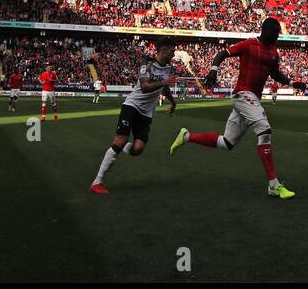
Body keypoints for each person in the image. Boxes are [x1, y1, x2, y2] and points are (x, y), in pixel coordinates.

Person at [169, 18, 296, 199]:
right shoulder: (249, 44)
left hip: (251, 100)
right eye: (276, 33)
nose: (278, 37)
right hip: (243, 94)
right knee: (264, 130)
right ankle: (274, 185)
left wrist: (292, 82)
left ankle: (186, 136)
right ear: (266, 31)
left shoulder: (274, 52)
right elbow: (222, 54)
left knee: (227, 142)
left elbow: (275, 72)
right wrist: (213, 70)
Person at [90, 38, 178, 195]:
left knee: (137, 149)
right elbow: (145, 87)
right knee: (121, 140)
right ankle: (97, 182)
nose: (174, 53)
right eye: (172, 51)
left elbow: (164, 88)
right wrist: (164, 82)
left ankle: (121, 145)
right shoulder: (147, 64)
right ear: (163, 50)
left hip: (146, 112)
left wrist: (173, 102)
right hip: (132, 106)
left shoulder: (169, 68)